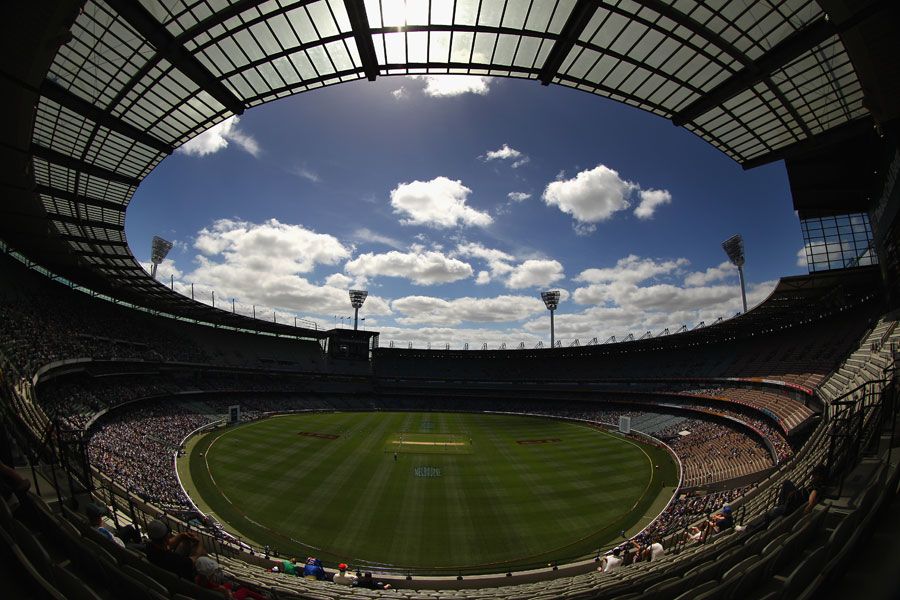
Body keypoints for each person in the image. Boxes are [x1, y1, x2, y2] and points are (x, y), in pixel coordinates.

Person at [195, 556, 266, 600]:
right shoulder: (214, 586)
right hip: (228, 596)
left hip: (217, 594)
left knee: (229, 584)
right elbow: (229, 596)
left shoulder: (197, 579)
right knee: (244, 590)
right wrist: (229, 591)